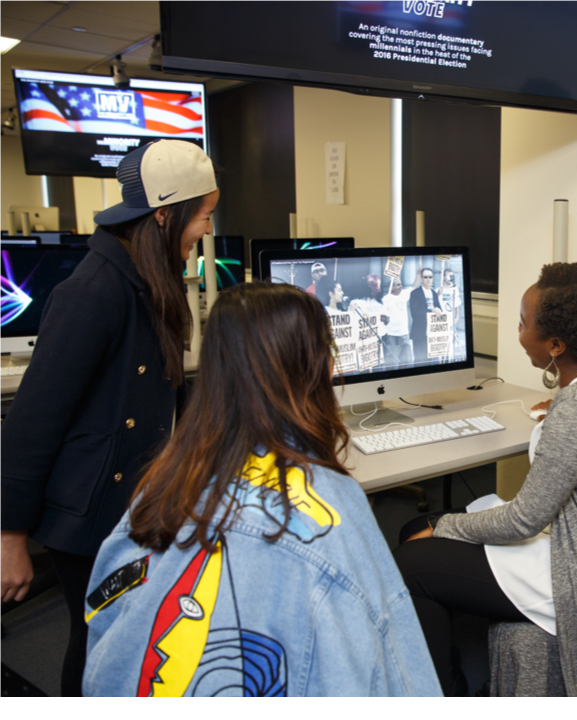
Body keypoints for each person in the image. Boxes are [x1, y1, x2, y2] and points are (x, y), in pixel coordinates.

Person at [81, 284, 441, 696]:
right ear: (317, 367)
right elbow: (388, 649)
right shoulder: (328, 510)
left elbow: (103, 618)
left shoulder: (162, 481)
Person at [0, 140, 218, 696]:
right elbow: (31, 424)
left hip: (135, 502)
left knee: (133, 636)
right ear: (165, 216)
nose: (206, 232)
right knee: (98, 639)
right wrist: (9, 538)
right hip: (90, 516)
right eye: (202, 217)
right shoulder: (94, 292)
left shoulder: (150, 278)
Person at [393, 263, 577, 696]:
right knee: (411, 529)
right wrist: (558, 409)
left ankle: (446, 692)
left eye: (522, 324)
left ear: (556, 344)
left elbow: (520, 522)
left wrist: (442, 527)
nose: (517, 333)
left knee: (411, 564)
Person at [408, 267, 443, 361]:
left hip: (432, 333)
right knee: (420, 361)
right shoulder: (415, 293)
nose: (428, 279)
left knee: (429, 361)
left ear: (433, 278)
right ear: (421, 278)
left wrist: (439, 311)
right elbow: (414, 314)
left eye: (430, 277)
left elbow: (439, 309)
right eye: (425, 277)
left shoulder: (434, 293)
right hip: (420, 333)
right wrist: (431, 311)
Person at [382, 277, 415, 369]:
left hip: (404, 334)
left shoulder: (403, 295)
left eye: (401, 284)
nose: (400, 286)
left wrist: (418, 273)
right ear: (391, 287)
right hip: (392, 336)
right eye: (398, 284)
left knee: (405, 362)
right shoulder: (385, 299)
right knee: (391, 363)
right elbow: (383, 318)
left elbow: (414, 286)